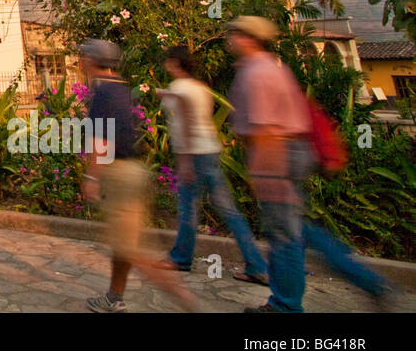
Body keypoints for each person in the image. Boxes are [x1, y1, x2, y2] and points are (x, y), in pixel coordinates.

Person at [225, 16, 396, 312]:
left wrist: (262, 174)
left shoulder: (257, 73)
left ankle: (286, 305)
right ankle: (368, 280)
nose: (230, 39)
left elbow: (266, 130)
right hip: (292, 152)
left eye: (235, 33)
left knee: (285, 235)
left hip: (278, 155)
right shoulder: (271, 68)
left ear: (249, 38)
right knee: (298, 231)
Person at [80, 40, 197, 312]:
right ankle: (113, 297)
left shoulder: (103, 93)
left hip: (119, 173)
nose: (81, 60)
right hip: (133, 170)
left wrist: (92, 178)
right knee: (125, 244)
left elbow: (102, 140)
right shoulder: (122, 88)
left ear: (94, 60)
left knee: (133, 249)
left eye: (84, 56)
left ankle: (184, 299)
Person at [157, 45, 268, 285]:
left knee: (188, 209)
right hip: (210, 151)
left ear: (175, 63)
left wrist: (185, 159)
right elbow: (201, 118)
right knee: (229, 211)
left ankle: (181, 258)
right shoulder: (200, 88)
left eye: (168, 62)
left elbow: (185, 123)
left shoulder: (178, 88)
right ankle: (257, 264)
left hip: (193, 153)